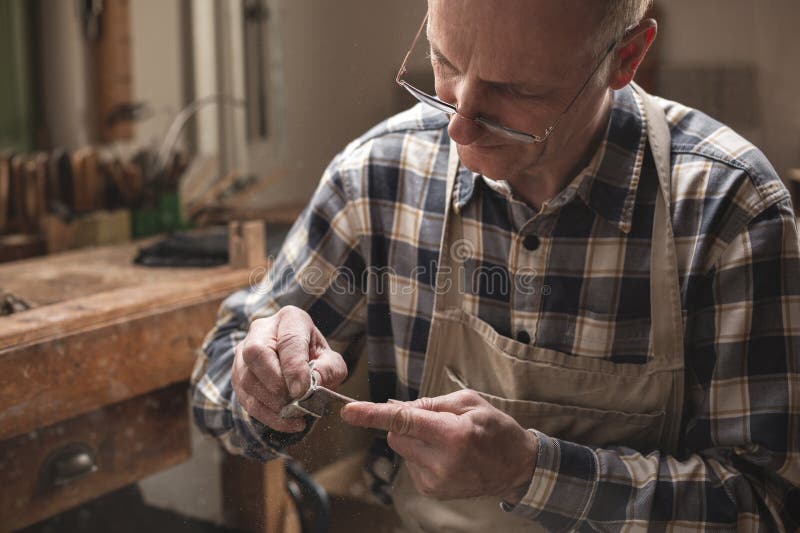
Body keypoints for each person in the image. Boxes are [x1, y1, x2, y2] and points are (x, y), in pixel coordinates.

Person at [191, 0, 799, 530]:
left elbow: (771, 506)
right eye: (446, 63)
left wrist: (533, 472)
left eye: (518, 91)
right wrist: (263, 382)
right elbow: (214, 381)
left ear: (626, 56)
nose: (457, 124)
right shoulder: (378, 177)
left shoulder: (729, 209)